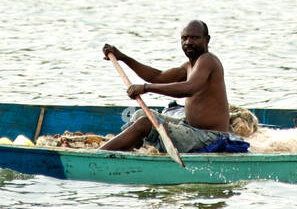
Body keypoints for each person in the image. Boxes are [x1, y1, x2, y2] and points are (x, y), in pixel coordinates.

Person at [99, 20, 231, 153]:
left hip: (210, 137)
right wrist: (122, 57)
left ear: (207, 40)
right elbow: (157, 76)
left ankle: (98, 154)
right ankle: (127, 148)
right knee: (141, 115)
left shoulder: (208, 60)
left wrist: (146, 88)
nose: (188, 42)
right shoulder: (189, 66)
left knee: (146, 123)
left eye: (194, 38)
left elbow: (188, 88)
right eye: (184, 38)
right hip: (190, 127)